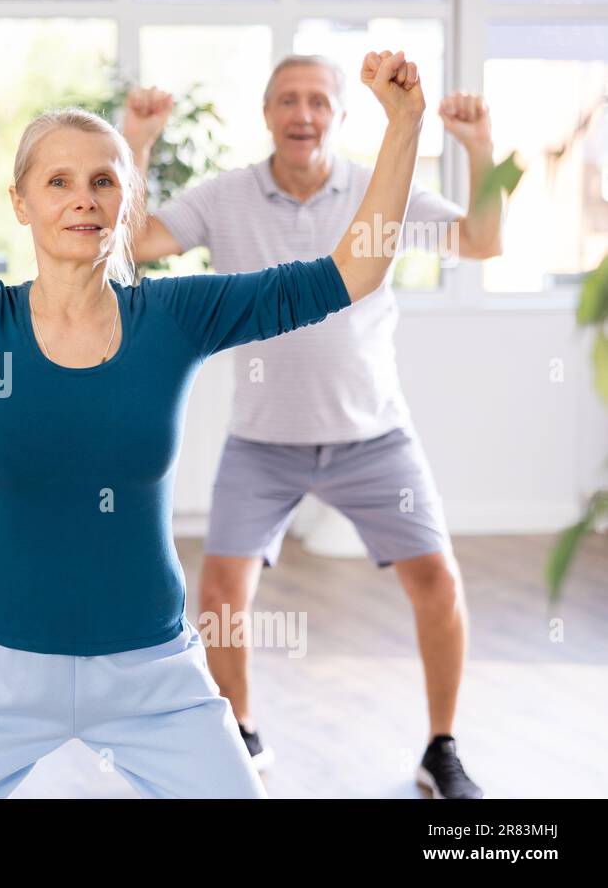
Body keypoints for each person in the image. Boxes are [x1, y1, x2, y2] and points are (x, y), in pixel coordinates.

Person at [0, 50, 426, 798]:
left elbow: (351, 274)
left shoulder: (176, 316)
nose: (83, 199)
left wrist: (403, 125)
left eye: (104, 181)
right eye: (60, 181)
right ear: (21, 201)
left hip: (151, 672)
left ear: (126, 202)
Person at [122, 54, 501, 799]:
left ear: (339, 115)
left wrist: (480, 149)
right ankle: (244, 731)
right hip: (263, 441)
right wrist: (137, 142)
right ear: (267, 114)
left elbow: (481, 242)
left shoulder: (377, 188)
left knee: (439, 580)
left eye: (319, 101)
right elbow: (133, 243)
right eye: (288, 100)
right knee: (222, 592)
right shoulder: (227, 196)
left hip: (374, 436)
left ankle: (442, 748)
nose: (303, 114)